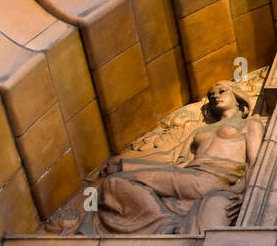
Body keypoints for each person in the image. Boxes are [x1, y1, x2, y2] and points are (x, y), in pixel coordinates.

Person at [85, 81, 264, 235]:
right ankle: (166, 225)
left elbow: (256, 161)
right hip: (190, 175)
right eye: (211, 95)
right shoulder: (201, 130)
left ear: (237, 97)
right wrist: (125, 164)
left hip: (216, 179)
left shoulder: (250, 123)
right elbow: (172, 160)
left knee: (116, 180)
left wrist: (250, 195)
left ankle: (165, 226)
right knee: (114, 183)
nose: (215, 96)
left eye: (222, 91)